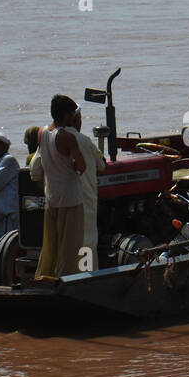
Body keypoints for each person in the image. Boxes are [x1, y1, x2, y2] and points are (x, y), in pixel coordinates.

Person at [33, 95, 87, 281]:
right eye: (72, 114)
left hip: (52, 197)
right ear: (66, 116)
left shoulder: (42, 133)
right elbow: (81, 166)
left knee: (50, 245)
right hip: (70, 198)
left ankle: (43, 277)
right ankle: (66, 281)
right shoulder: (67, 137)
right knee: (70, 246)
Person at [72, 108, 107, 268]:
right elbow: (101, 166)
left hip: (57, 202)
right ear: (76, 119)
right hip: (83, 202)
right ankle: (87, 277)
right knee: (87, 242)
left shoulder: (47, 139)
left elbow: (35, 171)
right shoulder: (85, 142)